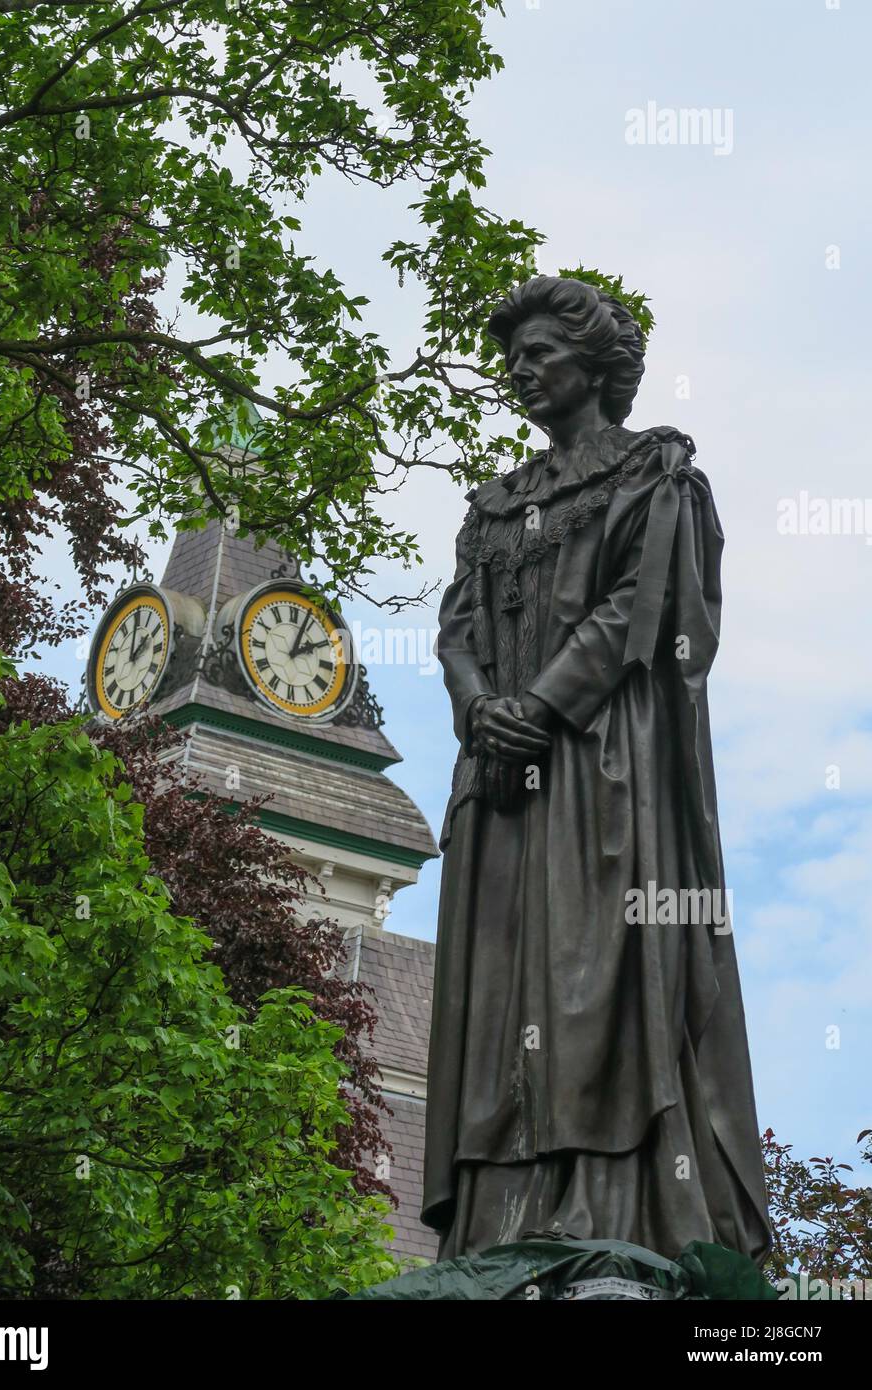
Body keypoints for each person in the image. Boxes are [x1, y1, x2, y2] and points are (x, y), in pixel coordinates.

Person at [422, 275, 771, 1264]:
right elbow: (454, 628)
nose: (523, 370)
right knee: (499, 993)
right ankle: (500, 1225)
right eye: (515, 357)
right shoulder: (495, 508)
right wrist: (480, 704)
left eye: (541, 353)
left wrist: (541, 704)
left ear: (597, 365)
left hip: (601, 772)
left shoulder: (653, 475)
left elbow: (649, 607)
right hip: (500, 782)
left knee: (599, 975)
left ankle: (610, 1216)